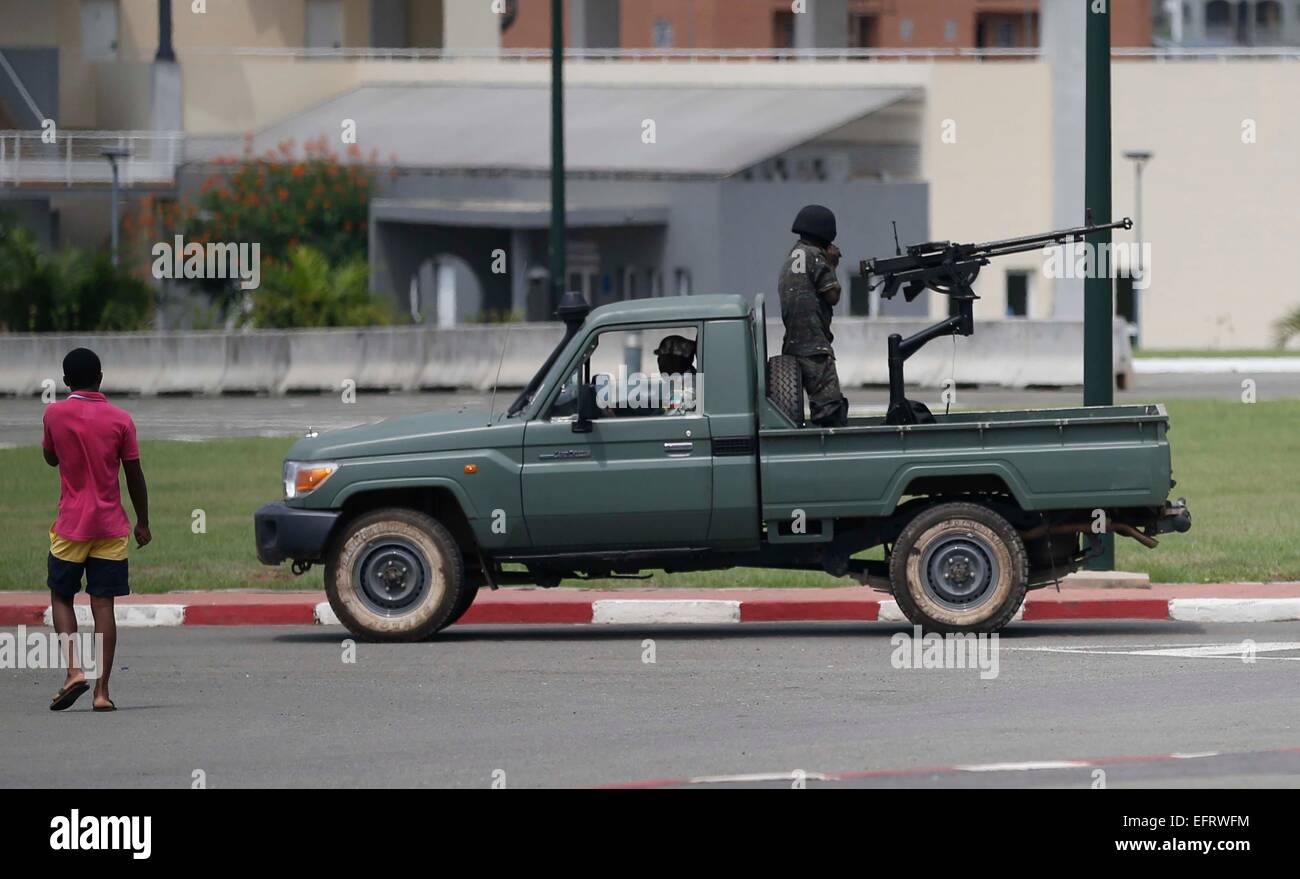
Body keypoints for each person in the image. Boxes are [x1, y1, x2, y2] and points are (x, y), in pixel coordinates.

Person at [42, 348, 150, 712]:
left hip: (71, 526)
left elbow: (51, 457)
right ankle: (102, 692)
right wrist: (143, 521)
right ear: (100, 378)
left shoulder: (54, 414)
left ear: (66, 380)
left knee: (61, 596)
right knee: (104, 605)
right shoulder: (121, 419)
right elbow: (134, 474)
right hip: (111, 526)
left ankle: (74, 670)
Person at [778, 204, 849, 427]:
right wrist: (833, 264)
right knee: (830, 410)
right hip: (815, 347)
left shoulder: (793, 255)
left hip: (791, 345)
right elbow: (833, 295)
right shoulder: (817, 257)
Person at [652, 334, 698, 415]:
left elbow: (670, 415)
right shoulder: (675, 382)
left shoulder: (690, 386)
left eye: (664, 356)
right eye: (660, 356)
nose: (660, 360)